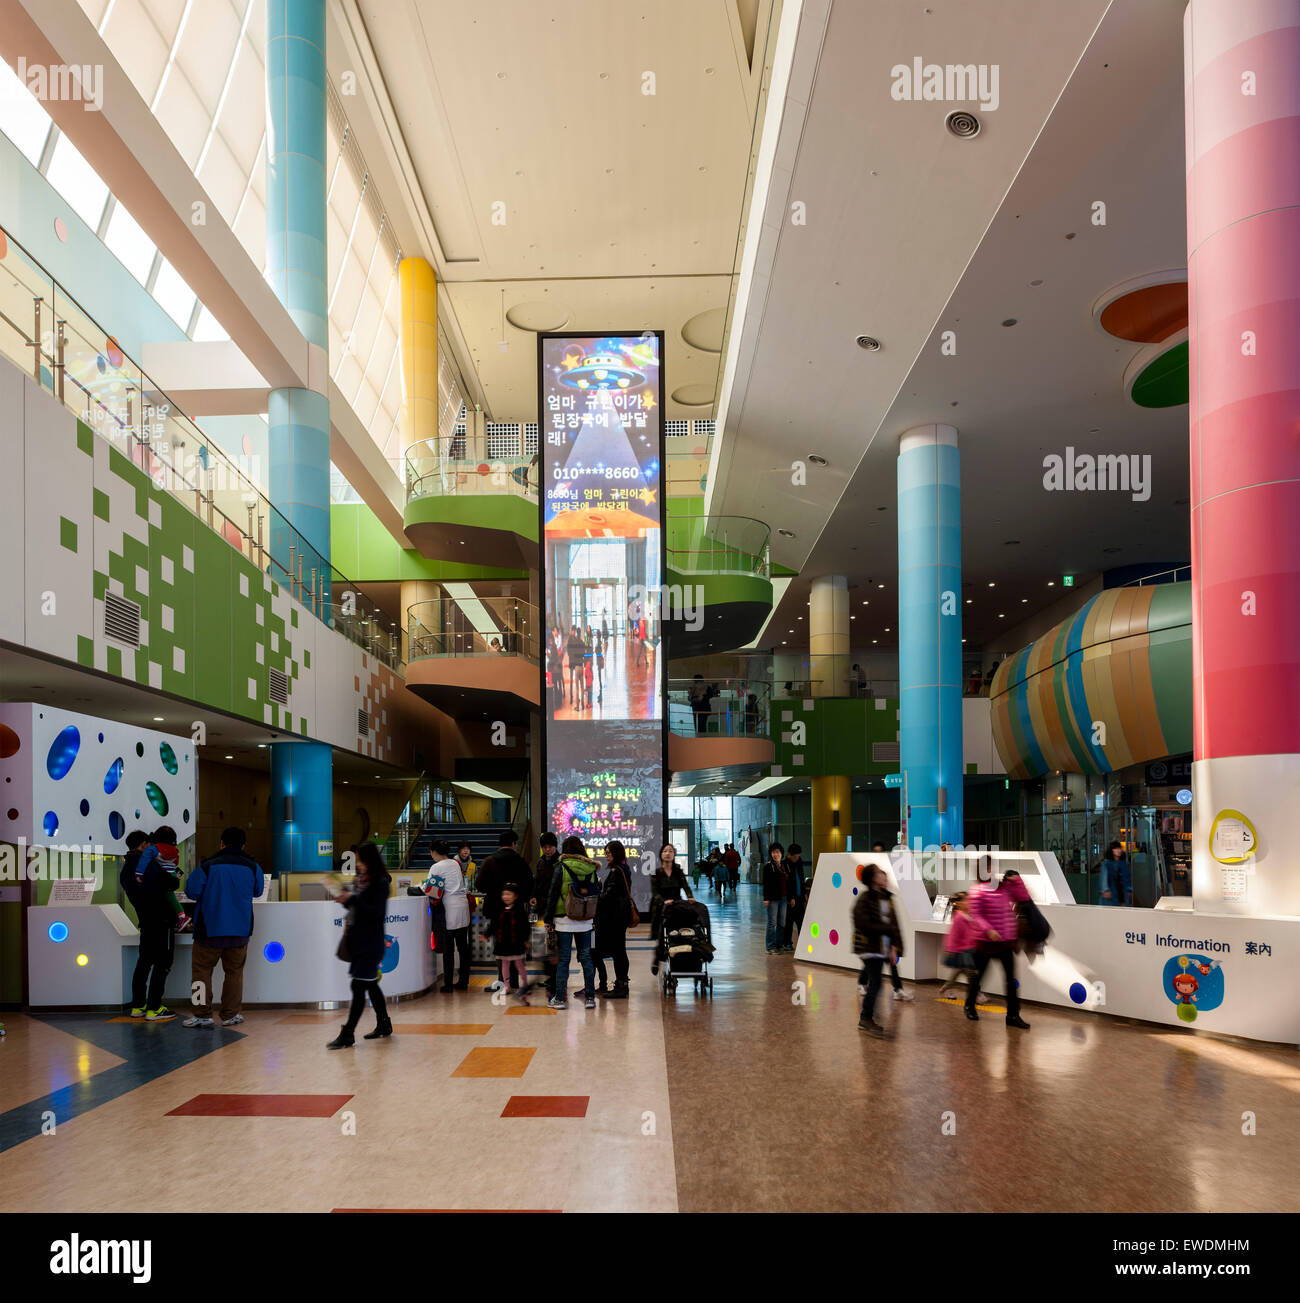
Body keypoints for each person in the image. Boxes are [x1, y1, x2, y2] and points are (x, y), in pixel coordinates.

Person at [183, 828, 264, 1028]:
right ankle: (230, 1015)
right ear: (244, 845)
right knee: (234, 973)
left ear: (221, 843)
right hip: (240, 931)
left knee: (201, 972)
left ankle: (202, 1014)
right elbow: (258, 891)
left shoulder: (208, 866)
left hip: (209, 931)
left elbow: (191, 891)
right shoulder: (253, 868)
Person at [326, 842, 393, 1047]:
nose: (359, 865)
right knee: (370, 984)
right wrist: (343, 898)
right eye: (357, 861)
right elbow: (357, 905)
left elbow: (375, 913)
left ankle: (348, 1033)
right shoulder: (360, 880)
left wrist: (353, 898)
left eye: (361, 861)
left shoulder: (380, 883)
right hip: (358, 941)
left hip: (370, 942)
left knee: (358, 985)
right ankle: (384, 1024)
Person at [966, 861, 1031, 1030]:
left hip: (1005, 942)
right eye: (986, 868)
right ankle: (969, 1005)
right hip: (985, 942)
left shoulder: (1005, 888)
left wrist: (1017, 880)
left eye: (992, 867)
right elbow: (976, 915)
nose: (990, 871)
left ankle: (1013, 1015)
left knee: (1010, 980)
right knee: (979, 978)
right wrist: (989, 930)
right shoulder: (977, 890)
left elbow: (1024, 897)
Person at [121, 830, 177, 1021]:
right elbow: (172, 883)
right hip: (162, 920)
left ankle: (138, 1006)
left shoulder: (125, 870)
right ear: (144, 845)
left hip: (145, 920)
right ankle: (154, 1007)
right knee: (163, 963)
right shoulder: (149, 864)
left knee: (144, 962)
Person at [544, 836, 600, 1010]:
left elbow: (553, 893)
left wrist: (547, 919)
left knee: (563, 960)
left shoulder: (561, 867)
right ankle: (590, 998)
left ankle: (559, 999)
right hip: (585, 920)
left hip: (564, 919)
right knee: (586, 958)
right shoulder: (591, 869)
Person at [477, 830, 535, 989]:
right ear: (514, 844)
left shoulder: (490, 861)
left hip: (496, 909)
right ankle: (515, 981)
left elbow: (479, 884)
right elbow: (530, 883)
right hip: (516, 910)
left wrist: (495, 891)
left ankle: (503, 981)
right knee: (516, 946)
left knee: (501, 945)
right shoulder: (521, 861)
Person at [852, 864, 903, 1038]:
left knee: (876, 982)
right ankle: (865, 1018)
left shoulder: (885, 898)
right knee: (877, 982)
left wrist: (894, 946)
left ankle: (869, 1016)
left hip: (881, 948)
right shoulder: (865, 899)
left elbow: (893, 924)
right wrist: (886, 930)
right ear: (873, 878)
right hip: (869, 947)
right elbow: (863, 924)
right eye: (879, 873)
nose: (883, 875)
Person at [423, 840, 470, 992]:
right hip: (463, 907)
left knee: (448, 949)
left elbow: (429, 889)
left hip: (449, 910)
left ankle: (448, 984)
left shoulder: (436, 867)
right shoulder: (455, 863)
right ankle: (463, 981)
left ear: (434, 852)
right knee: (463, 948)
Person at [870, 840, 914, 1000]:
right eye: (883, 877)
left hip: (886, 940)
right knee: (874, 972)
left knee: (891, 965)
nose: (886, 879)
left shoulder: (887, 896)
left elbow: (892, 920)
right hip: (878, 941)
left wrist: (894, 941)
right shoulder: (873, 898)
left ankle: (897, 989)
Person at [593, 840, 634, 999]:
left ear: (616, 853)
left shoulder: (617, 871)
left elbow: (608, 897)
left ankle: (621, 986)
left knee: (618, 952)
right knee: (620, 951)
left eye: (609, 853)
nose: (607, 856)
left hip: (614, 918)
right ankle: (621, 984)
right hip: (620, 916)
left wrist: (598, 888)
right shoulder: (624, 868)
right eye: (606, 853)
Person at [649, 841, 693, 970]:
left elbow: (685, 886)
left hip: (676, 905)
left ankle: (677, 962)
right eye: (665, 851)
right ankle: (658, 957)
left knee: (676, 934)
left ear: (674, 854)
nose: (668, 853)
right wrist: (663, 901)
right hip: (660, 906)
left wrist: (690, 896)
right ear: (661, 854)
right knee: (661, 936)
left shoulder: (678, 870)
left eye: (671, 851)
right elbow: (655, 892)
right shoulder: (655, 872)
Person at [485, 882, 531, 1005]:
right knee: (504, 964)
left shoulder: (519, 910)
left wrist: (526, 940)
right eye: (504, 894)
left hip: (516, 943)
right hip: (503, 943)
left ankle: (525, 985)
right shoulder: (499, 909)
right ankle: (506, 985)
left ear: (515, 896)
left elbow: (525, 927)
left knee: (519, 964)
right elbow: (493, 924)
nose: (505, 897)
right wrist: (486, 934)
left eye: (508, 894)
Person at [938, 892, 982, 1000]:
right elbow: (953, 935)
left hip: (970, 949)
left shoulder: (970, 916)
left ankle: (947, 987)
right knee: (971, 974)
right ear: (958, 903)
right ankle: (976, 994)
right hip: (962, 951)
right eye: (966, 900)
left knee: (959, 971)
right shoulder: (959, 918)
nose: (969, 902)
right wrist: (950, 949)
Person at [534, 832, 560, 995]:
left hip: (555, 910)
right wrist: (533, 897)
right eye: (544, 847)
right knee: (542, 945)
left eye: (550, 846)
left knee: (553, 945)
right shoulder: (541, 862)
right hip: (542, 909)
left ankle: (555, 978)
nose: (547, 850)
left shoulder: (560, 862)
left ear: (555, 846)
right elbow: (537, 883)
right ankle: (549, 975)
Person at [762, 842, 796, 955]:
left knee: (782, 923)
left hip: (784, 898)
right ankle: (770, 946)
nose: (775, 854)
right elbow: (765, 883)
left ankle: (779, 945)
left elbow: (789, 883)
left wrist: (791, 897)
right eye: (773, 852)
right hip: (773, 898)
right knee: (772, 923)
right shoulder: (768, 866)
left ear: (781, 853)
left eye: (777, 852)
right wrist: (766, 898)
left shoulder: (785, 866)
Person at [781, 843, 807, 952]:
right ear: (789, 855)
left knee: (801, 920)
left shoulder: (799, 862)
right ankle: (787, 943)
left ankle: (803, 942)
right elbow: (786, 883)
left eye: (798, 856)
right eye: (795, 856)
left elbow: (801, 878)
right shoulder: (784, 865)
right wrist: (790, 897)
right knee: (789, 922)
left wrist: (804, 892)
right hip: (790, 898)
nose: (797, 858)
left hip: (800, 896)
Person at [1100, 841, 1131, 907]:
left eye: (1119, 848)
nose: (1118, 850)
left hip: (1122, 893)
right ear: (1111, 850)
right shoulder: (1106, 863)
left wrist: (1129, 889)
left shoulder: (1123, 863)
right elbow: (1104, 877)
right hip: (1111, 893)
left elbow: (1127, 877)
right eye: (1116, 848)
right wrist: (1105, 889)